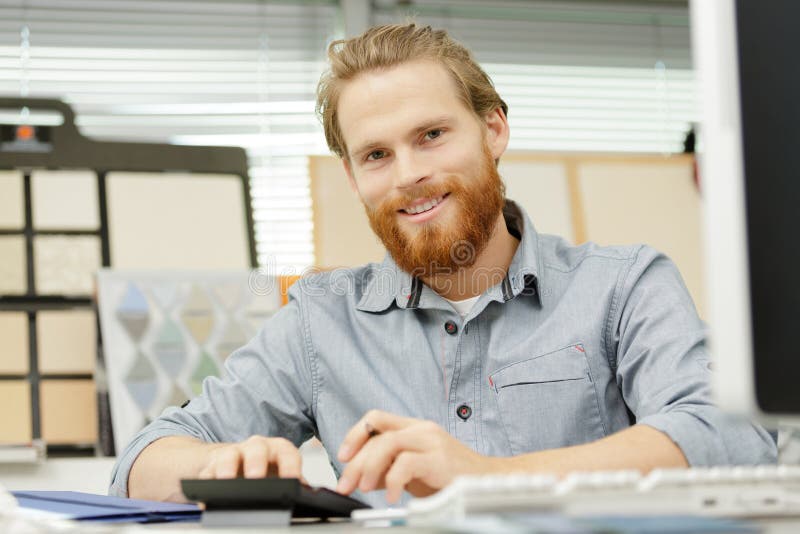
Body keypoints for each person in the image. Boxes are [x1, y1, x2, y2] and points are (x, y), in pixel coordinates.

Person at [110, 23, 776, 506]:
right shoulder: (318, 321)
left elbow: (733, 437)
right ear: (353, 176)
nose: (409, 175)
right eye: (377, 155)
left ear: (493, 130)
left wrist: (484, 478)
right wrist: (222, 465)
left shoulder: (623, 286)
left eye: (431, 135)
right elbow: (141, 460)